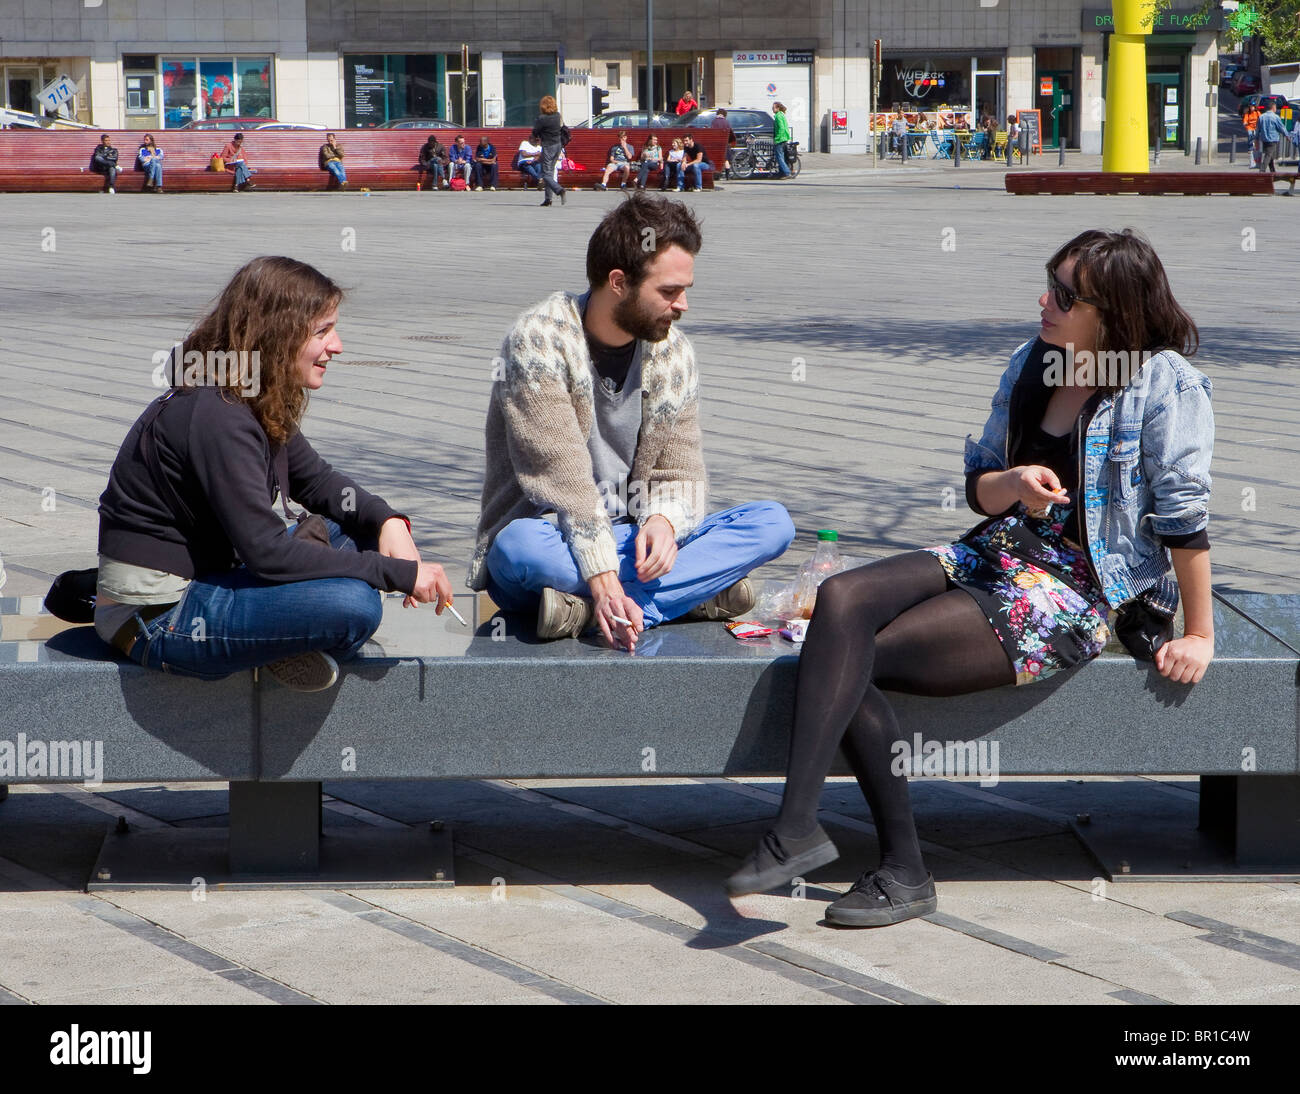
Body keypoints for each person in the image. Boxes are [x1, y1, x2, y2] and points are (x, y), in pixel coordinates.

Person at [726, 228, 1215, 927]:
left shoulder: (1163, 383)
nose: (1043, 301)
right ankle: (799, 827)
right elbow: (978, 489)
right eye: (1049, 283)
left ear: (1111, 311)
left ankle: (901, 868)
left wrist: (1199, 631)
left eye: (1065, 296)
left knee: (848, 653)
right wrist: (1013, 482)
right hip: (996, 551)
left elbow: (1184, 520)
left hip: (1073, 593)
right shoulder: (1032, 362)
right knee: (842, 599)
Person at [96, 257, 455, 692]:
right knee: (353, 604)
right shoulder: (218, 415)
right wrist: (395, 574)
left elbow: (318, 481)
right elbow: (268, 553)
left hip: (216, 575)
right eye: (322, 331)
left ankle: (274, 644)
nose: (337, 346)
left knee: (359, 533)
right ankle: (275, 644)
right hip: (158, 617)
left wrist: (387, 522)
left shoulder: (249, 389)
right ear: (278, 334)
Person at [470, 195, 795, 651]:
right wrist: (603, 581)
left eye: (685, 289)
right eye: (668, 291)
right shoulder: (538, 342)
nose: (682, 305)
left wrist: (663, 521)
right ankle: (682, 596)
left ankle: (587, 612)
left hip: (632, 539)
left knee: (772, 523)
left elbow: (681, 472)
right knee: (515, 548)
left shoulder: (674, 353)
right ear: (618, 281)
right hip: (553, 537)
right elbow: (564, 482)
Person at [530, 95, 568, 207]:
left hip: (548, 146)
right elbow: (562, 128)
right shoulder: (558, 116)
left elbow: (535, 132)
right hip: (558, 145)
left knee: (545, 173)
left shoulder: (541, 118)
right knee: (550, 172)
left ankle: (559, 190)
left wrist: (537, 135)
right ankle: (548, 199)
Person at [1256, 99, 1287, 174]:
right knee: (1268, 155)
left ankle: (1272, 171)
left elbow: (1258, 129)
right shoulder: (1275, 117)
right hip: (1273, 139)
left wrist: (1256, 138)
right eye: (1275, 107)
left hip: (1264, 139)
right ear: (1273, 107)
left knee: (1270, 155)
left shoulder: (1261, 117)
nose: (1276, 109)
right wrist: (1287, 135)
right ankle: (1262, 170)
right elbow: (1281, 128)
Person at [711, 107, 735, 179]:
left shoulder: (714, 121)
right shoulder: (726, 122)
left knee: (716, 159)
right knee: (726, 159)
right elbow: (730, 132)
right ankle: (727, 176)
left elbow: (712, 131)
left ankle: (716, 175)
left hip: (716, 144)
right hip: (725, 143)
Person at [773, 102, 793, 177]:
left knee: (779, 158)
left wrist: (777, 138)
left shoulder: (778, 116)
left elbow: (781, 128)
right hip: (784, 138)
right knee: (782, 157)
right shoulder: (782, 114)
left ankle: (787, 172)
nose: (772, 108)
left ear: (778, 108)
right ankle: (782, 173)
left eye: (774, 107)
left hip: (780, 139)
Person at [1242, 101, 1261, 167]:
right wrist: (1245, 123)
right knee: (1250, 135)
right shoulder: (1247, 114)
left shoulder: (1257, 113)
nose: (1251, 108)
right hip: (1250, 126)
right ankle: (1250, 148)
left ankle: (1256, 147)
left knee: (1256, 136)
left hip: (1256, 127)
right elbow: (1245, 120)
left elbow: (1260, 118)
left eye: (1252, 107)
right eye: (1250, 107)